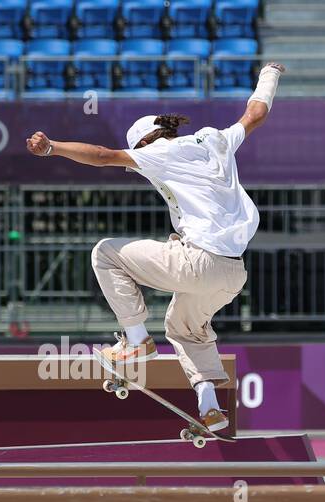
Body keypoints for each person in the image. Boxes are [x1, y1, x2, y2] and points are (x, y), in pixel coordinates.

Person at [25, 63, 285, 432]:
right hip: (232, 272)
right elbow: (256, 113)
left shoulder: (157, 153)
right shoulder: (216, 139)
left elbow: (101, 155)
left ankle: (136, 340)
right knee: (183, 327)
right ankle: (210, 407)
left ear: (145, 142)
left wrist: (52, 148)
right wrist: (270, 74)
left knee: (106, 253)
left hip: (197, 261)